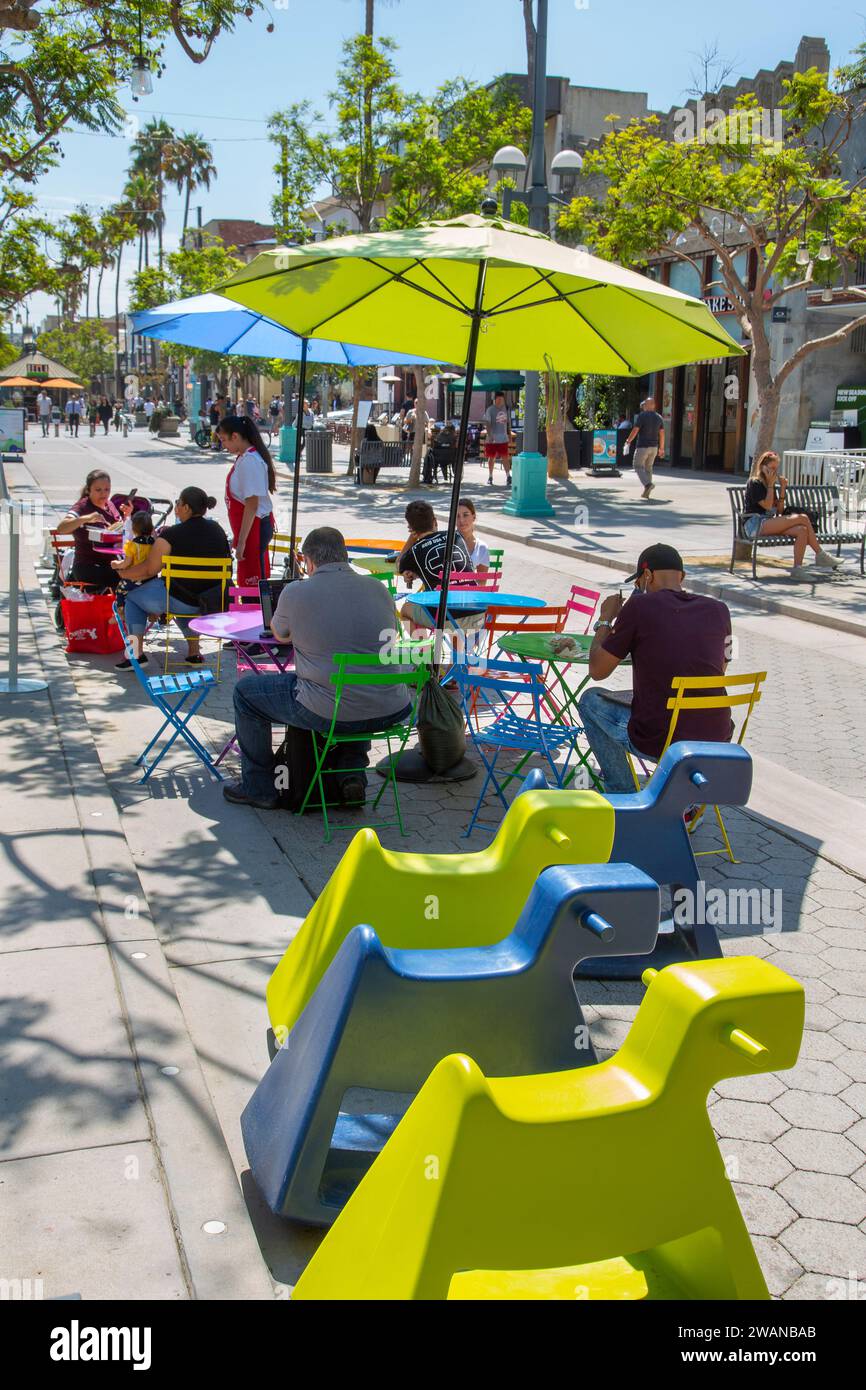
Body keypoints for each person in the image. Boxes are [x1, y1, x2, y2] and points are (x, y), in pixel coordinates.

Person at [224, 527, 412, 810]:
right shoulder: (378, 588)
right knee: (351, 685)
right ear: (344, 556)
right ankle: (350, 774)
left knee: (245, 692)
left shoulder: (296, 591)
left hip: (331, 708)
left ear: (308, 562)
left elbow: (280, 634)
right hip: (391, 706)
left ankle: (259, 787)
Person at [577, 543, 732, 796]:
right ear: (682, 577)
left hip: (660, 739)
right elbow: (719, 668)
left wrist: (606, 618)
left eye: (639, 583)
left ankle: (622, 795)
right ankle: (690, 800)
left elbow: (597, 669)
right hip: (716, 736)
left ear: (647, 576)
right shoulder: (719, 610)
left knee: (590, 700)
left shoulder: (639, 607)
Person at [113, 487, 232, 669]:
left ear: (186, 507)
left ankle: (135, 654)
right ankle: (194, 653)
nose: (176, 507)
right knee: (182, 598)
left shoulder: (171, 534)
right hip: (211, 600)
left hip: (180, 599)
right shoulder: (218, 531)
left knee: (132, 598)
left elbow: (149, 570)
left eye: (178, 503)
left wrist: (123, 573)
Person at [743, 450, 840, 578]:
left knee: (802, 530)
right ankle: (820, 554)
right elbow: (766, 505)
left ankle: (797, 569)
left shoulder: (769, 485)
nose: (774, 472)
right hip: (754, 524)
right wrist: (772, 485)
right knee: (803, 518)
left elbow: (779, 511)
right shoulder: (754, 483)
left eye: (776, 469)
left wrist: (782, 488)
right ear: (762, 467)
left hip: (768, 523)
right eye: (772, 468)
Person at [217, 413, 276, 586]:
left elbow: (252, 504)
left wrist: (241, 542)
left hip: (255, 527)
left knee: (253, 583)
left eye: (224, 440)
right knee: (251, 580)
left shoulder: (250, 461)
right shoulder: (245, 457)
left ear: (235, 436)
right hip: (252, 527)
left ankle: (258, 613)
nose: (223, 445)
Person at [397, 500, 473, 633]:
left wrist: (412, 537)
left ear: (411, 528)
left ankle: (423, 652)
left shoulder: (414, 551)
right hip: (475, 610)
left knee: (405, 609)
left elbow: (399, 564)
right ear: (435, 521)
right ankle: (458, 653)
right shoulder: (456, 536)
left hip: (445, 616)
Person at [55, 469, 130, 589]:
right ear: (89, 490)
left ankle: (123, 606)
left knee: (140, 574)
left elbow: (121, 531)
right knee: (127, 578)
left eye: (107, 490)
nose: (103, 494)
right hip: (87, 566)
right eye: (98, 490)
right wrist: (86, 518)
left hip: (111, 562)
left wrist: (127, 516)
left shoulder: (109, 505)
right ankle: (121, 607)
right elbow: (61, 528)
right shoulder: (83, 506)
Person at [624, 397, 665, 499]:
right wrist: (662, 448)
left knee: (637, 465)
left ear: (646, 405)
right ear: (654, 405)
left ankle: (648, 485)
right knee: (648, 468)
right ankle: (647, 492)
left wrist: (628, 441)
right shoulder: (659, 417)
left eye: (645, 405)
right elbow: (662, 433)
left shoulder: (642, 416)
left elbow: (635, 430)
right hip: (654, 447)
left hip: (643, 446)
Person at [111, 511, 155, 599]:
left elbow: (126, 563)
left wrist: (116, 564)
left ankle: (121, 610)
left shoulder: (133, 545)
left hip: (135, 578)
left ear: (134, 528)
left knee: (120, 590)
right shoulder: (154, 543)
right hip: (151, 579)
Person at [482, 391, 513, 486]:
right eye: (499, 399)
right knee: (491, 458)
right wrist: (490, 435)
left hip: (503, 437)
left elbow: (507, 423)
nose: (500, 401)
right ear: (495, 400)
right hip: (493, 438)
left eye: (502, 400)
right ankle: (490, 476)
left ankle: (508, 476)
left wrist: (509, 434)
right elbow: (487, 423)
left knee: (505, 457)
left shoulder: (505, 409)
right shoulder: (490, 410)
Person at [456, 497, 490, 572]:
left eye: (465, 515)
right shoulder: (446, 543)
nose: (461, 520)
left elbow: (481, 582)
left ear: (473, 517)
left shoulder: (481, 547)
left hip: (472, 584)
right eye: (457, 516)